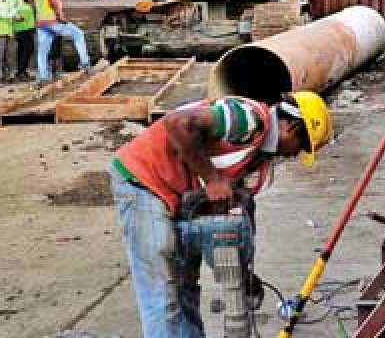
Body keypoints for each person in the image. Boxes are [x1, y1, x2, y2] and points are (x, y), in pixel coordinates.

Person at [110, 91, 332, 337]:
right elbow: (178, 123)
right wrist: (212, 178)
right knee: (162, 294)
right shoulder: (248, 118)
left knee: (185, 290)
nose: (296, 155)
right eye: (302, 146)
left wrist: (243, 271)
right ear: (291, 126)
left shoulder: (259, 163)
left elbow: (236, 214)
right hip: (143, 178)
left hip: (178, 195)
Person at [33, 0, 92, 84]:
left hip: (41, 22)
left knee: (42, 51)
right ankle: (85, 63)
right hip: (53, 20)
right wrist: (60, 16)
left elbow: (35, 3)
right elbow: (53, 1)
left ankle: (44, 77)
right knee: (78, 34)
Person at [11, 0, 37, 82]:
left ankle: (22, 71)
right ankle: (20, 72)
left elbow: (12, 8)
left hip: (19, 26)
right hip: (27, 26)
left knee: (22, 49)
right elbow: (33, 7)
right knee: (28, 49)